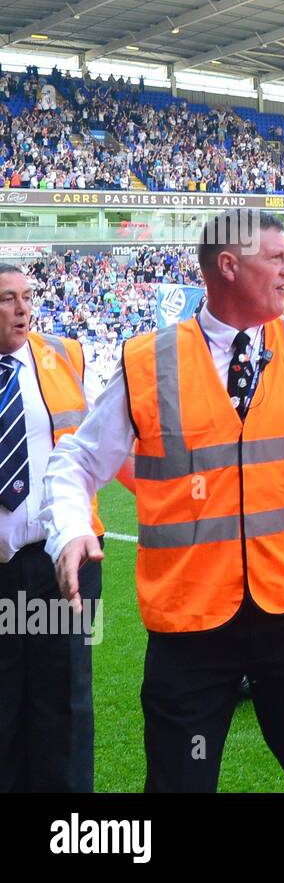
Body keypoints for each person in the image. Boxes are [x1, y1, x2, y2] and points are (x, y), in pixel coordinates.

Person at [41, 209, 284, 792]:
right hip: (188, 626)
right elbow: (76, 459)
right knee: (176, 786)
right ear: (228, 266)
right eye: (276, 258)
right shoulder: (147, 362)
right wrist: (69, 528)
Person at [0, 266, 104, 791]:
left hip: (55, 564)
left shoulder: (66, 355)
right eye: (7, 299)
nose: (22, 309)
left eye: (27, 297)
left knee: (62, 706)